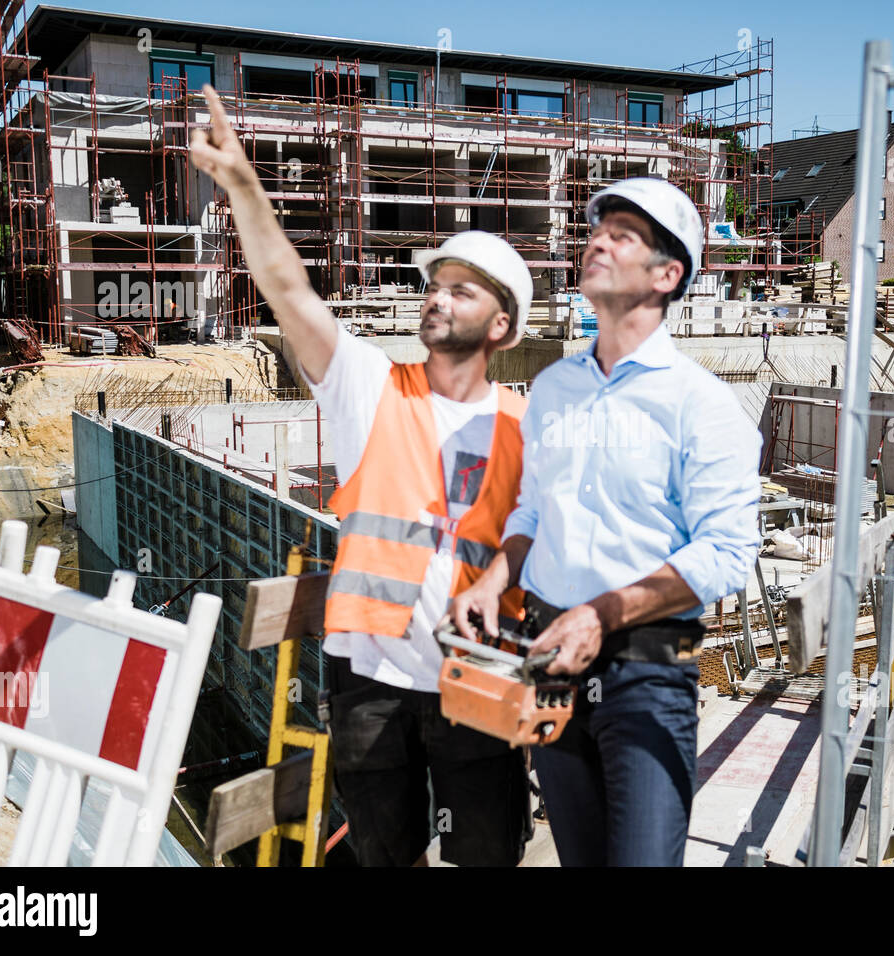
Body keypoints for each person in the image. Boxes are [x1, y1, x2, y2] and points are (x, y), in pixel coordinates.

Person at [190, 85, 536, 867]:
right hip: (370, 677)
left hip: (477, 675)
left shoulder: (529, 423)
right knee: (387, 853)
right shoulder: (371, 386)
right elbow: (288, 290)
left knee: (487, 852)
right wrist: (244, 186)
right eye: (434, 285)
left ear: (502, 326)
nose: (438, 298)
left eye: (462, 289)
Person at [451, 177, 760, 866]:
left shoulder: (701, 406)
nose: (596, 241)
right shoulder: (557, 387)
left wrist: (600, 616)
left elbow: (726, 553)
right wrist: (489, 580)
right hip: (549, 661)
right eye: (597, 230)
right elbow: (532, 510)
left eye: (622, 235)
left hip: (647, 670)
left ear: (666, 274)